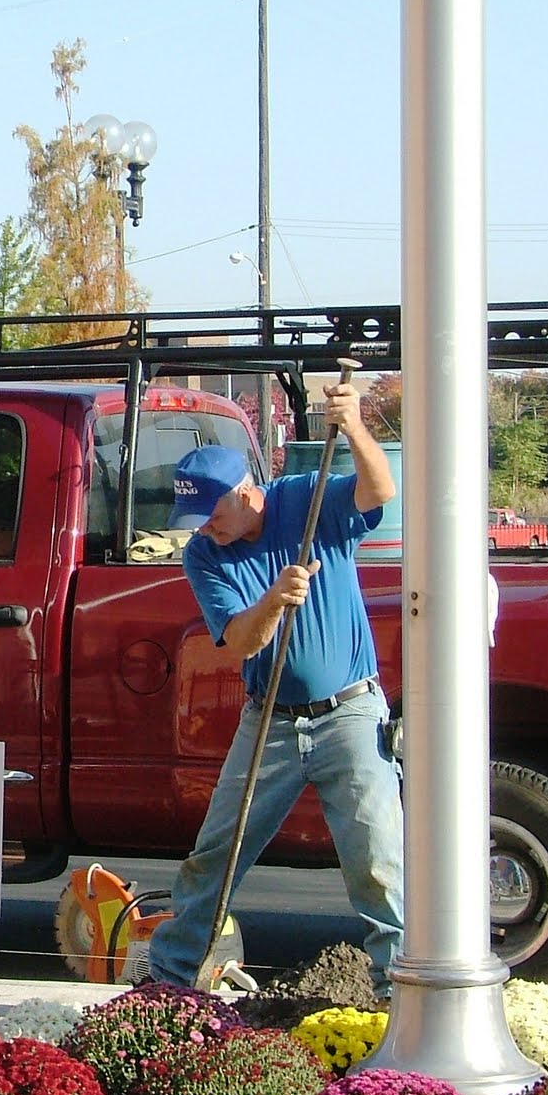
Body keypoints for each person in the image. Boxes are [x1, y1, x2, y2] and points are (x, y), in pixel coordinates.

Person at [145, 381, 404, 1001]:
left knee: (378, 861)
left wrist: (355, 424)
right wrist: (274, 601)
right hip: (271, 723)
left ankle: (400, 991)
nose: (204, 531)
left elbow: (380, 491)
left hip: (351, 712)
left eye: (211, 515)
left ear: (244, 493)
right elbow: (238, 642)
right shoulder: (205, 556)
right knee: (217, 854)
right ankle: (173, 984)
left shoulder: (307, 502)